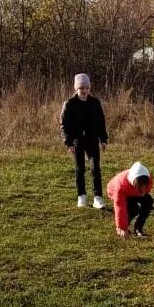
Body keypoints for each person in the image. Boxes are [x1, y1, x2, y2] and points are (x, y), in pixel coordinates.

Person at [60, 73, 109, 209]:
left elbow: (101, 122)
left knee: (95, 168)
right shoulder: (69, 104)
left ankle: (97, 198)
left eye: (87, 88)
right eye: (82, 88)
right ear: (76, 88)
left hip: (92, 139)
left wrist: (103, 139)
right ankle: (81, 196)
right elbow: (64, 125)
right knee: (80, 168)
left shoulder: (95, 103)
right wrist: (68, 142)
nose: (84, 91)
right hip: (76, 141)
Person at [106, 162, 154, 239]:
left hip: (134, 192)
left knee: (148, 201)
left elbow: (148, 187)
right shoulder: (121, 184)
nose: (143, 189)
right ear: (135, 183)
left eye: (144, 186)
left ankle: (138, 228)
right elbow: (119, 207)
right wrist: (122, 227)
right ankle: (123, 229)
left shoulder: (148, 178)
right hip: (116, 191)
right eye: (140, 187)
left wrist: (143, 191)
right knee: (133, 208)